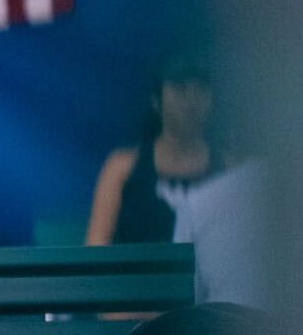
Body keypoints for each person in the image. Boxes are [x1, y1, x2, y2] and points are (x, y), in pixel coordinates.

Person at [85, 61, 219, 246]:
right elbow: (96, 246)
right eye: (180, 88)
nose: (191, 100)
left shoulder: (229, 169)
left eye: (200, 89)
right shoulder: (122, 168)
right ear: (157, 100)